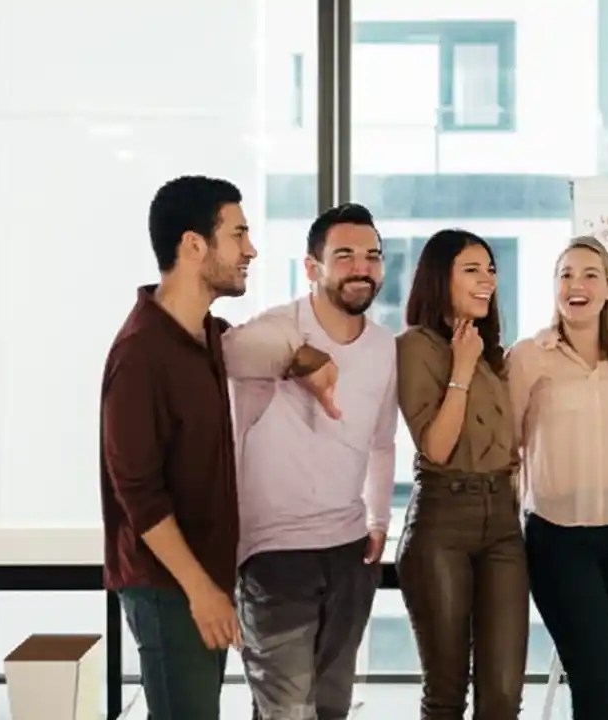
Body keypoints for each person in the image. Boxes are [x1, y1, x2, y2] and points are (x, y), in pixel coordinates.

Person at [223, 202, 397, 720]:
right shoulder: (279, 327)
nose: (361, 267)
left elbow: (382, 441)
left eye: (372, 255)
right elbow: (222, 351)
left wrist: (379, 519)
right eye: (344, 255)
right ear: (312, 267)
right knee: (286, 713)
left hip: (348, 554)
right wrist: (299, 357)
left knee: (330, 708)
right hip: (274, 555)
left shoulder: (386, 347)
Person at [99, 175, 255, 719]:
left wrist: (307, 361)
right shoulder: (140, 354)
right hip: (171, 588)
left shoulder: (206, 336)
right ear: (194, 245)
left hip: (204, 582)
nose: (250, 250)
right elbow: (138, 493)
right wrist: (200, 590)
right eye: (238, 235)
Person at [506, 236, 608, 719]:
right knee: (594, 682)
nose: (577, 284)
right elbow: (507, 449)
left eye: (590, 274)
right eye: (566, 274)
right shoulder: (529, 356)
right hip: (558, 539)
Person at [395, 229, 529, 719]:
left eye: (491, 269)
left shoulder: (493, 356)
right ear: (439, 277)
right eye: (471, 269)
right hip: (442, 521)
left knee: (502, 695)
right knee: (447, 693)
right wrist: (462, 368)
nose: (487, 280)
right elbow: (436, 445)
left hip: (502, 526)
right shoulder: (415, 346)